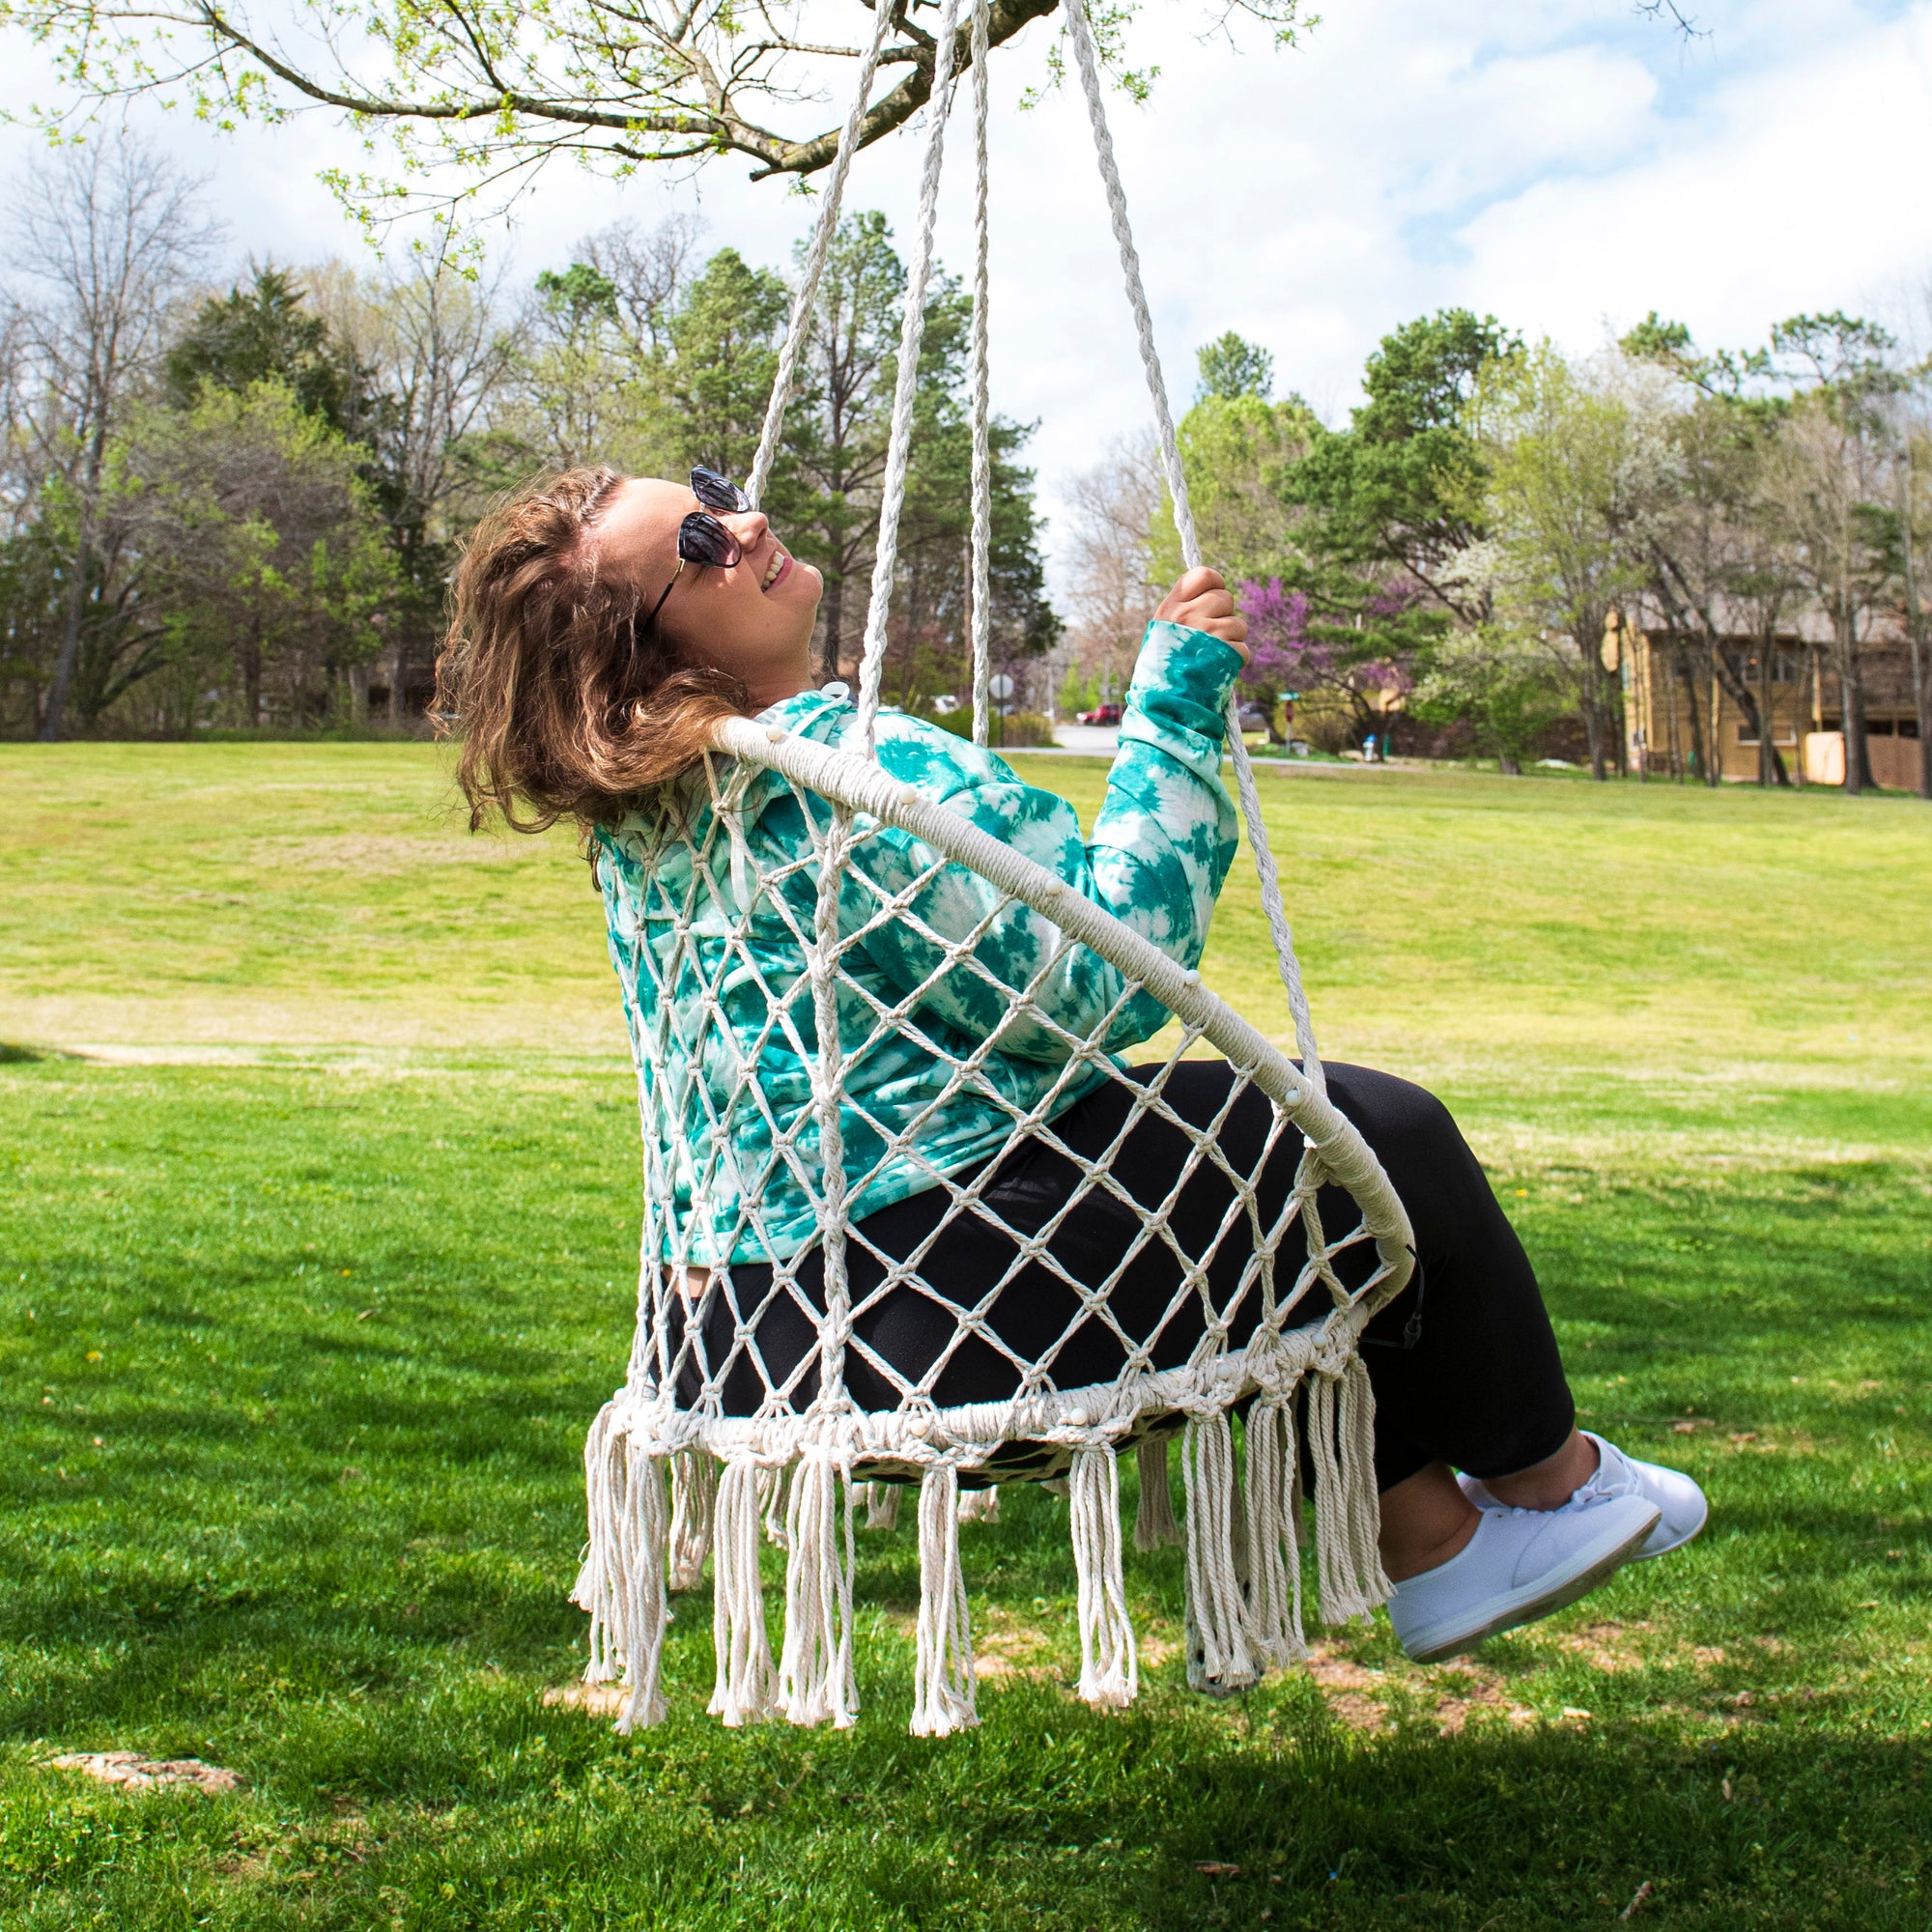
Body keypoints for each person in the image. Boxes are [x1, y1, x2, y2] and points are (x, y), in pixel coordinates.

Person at [438, 465, 1707, 1664]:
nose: (747, 524)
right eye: (702, 544)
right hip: (937, 1320)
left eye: (717, 496)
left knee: (1236, 1174)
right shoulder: (837, 771)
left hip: (743, 1329)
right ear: (656, 650)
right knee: (1371, 1136)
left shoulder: (651, 821)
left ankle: (1434, 1538)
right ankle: (1554, 1481)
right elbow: (1110, 973)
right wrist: (1175, 711)